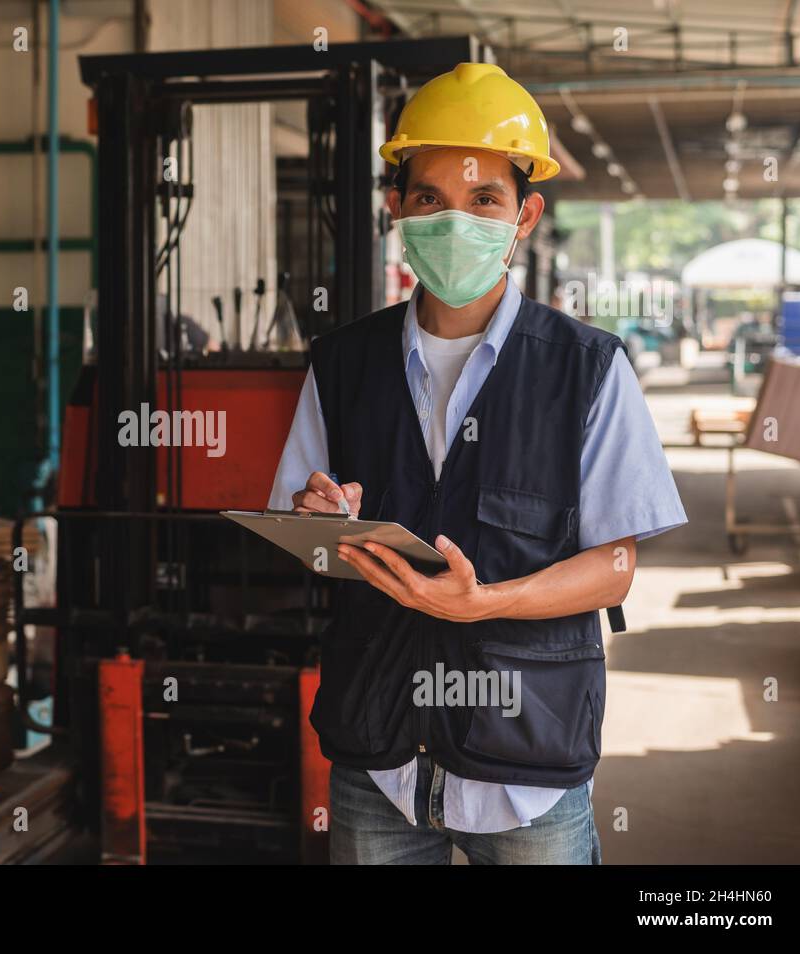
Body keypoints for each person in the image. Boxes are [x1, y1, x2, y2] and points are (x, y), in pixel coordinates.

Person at [267, 63, 687, 864]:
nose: (454, 219)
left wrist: (483, 603)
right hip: (378, 757)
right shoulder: (343, 364)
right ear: (398, 209)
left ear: (524, 214)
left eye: (483, 199)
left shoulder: (588, 368)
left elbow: (616, 566)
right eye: (430, 198)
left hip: (525, 765)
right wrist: (323, 525)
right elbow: (307, 535)